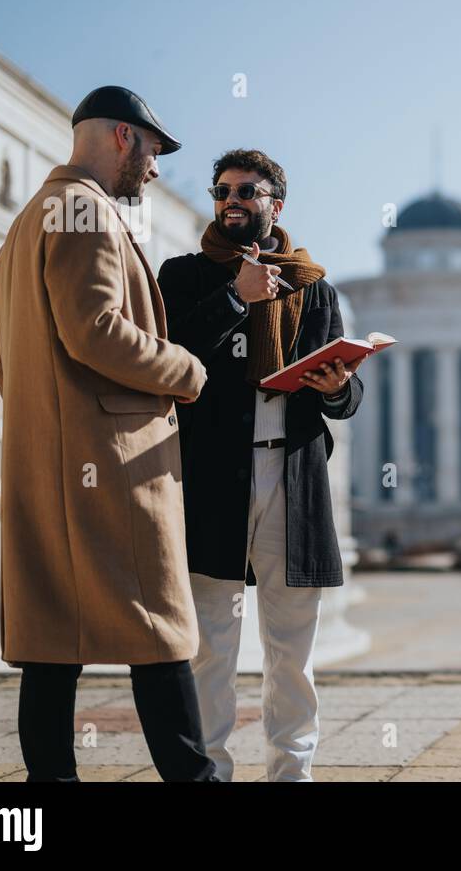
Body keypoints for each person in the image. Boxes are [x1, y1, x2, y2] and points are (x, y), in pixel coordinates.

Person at [0, 85, 217, 781]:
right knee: (160, 627)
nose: (154, 169)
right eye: (152, 152)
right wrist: (185, 370)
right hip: (110, 462)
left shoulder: (28, 218)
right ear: (124, 137)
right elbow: (93, 330)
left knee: (52, 640)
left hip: (48, 458)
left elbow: (6, 355)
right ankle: (195, 779)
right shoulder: (83, 207)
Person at [157, 149, 364, 782]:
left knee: (293, 648)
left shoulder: (314, 287)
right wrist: (234, 297)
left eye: (247, 190)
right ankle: (209, 771)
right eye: (221, 192)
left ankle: (291, 772)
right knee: (211, 642)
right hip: (214, 478)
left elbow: (347, 400)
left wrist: (332, 386)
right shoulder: (184, 275)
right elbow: (169, 360)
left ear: (276, 203)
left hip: (294, 476)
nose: (231, 201)